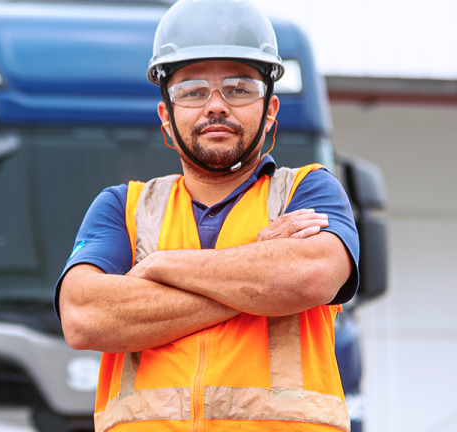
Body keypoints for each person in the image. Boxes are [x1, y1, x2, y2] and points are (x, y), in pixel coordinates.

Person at [55, 1, 360, 431]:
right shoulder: (121, 208)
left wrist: (160, 266)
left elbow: (310, 278)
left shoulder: (308, 190)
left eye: (238, 88)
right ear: (167, 116)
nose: (216, 106)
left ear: (270, 110)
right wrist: (257, 275)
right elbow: (84, 317)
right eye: (193, 91)